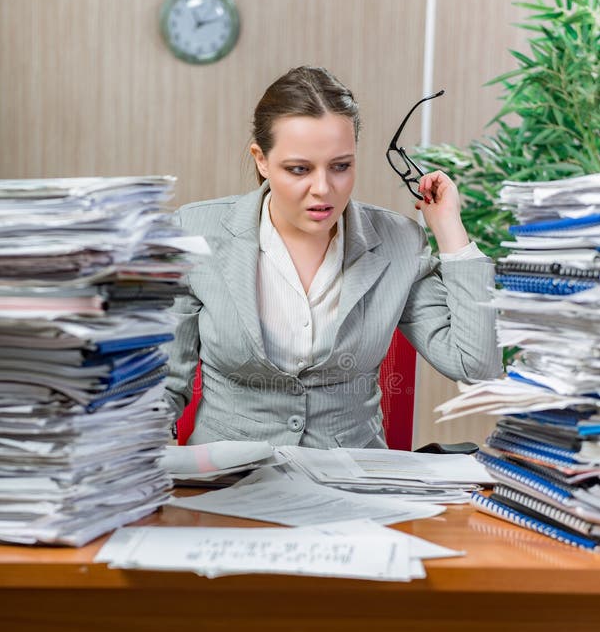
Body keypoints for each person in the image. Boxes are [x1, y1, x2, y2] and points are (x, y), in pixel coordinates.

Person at [164, 65, 502, 448]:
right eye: (299, 169)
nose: (323, 189)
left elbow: (476, 365)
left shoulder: (399, 242)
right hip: (226, 483)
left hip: (356, 485)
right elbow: (160, 384)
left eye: (341, 166)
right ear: (261, 160)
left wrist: (450, 231)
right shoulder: (196, 231)